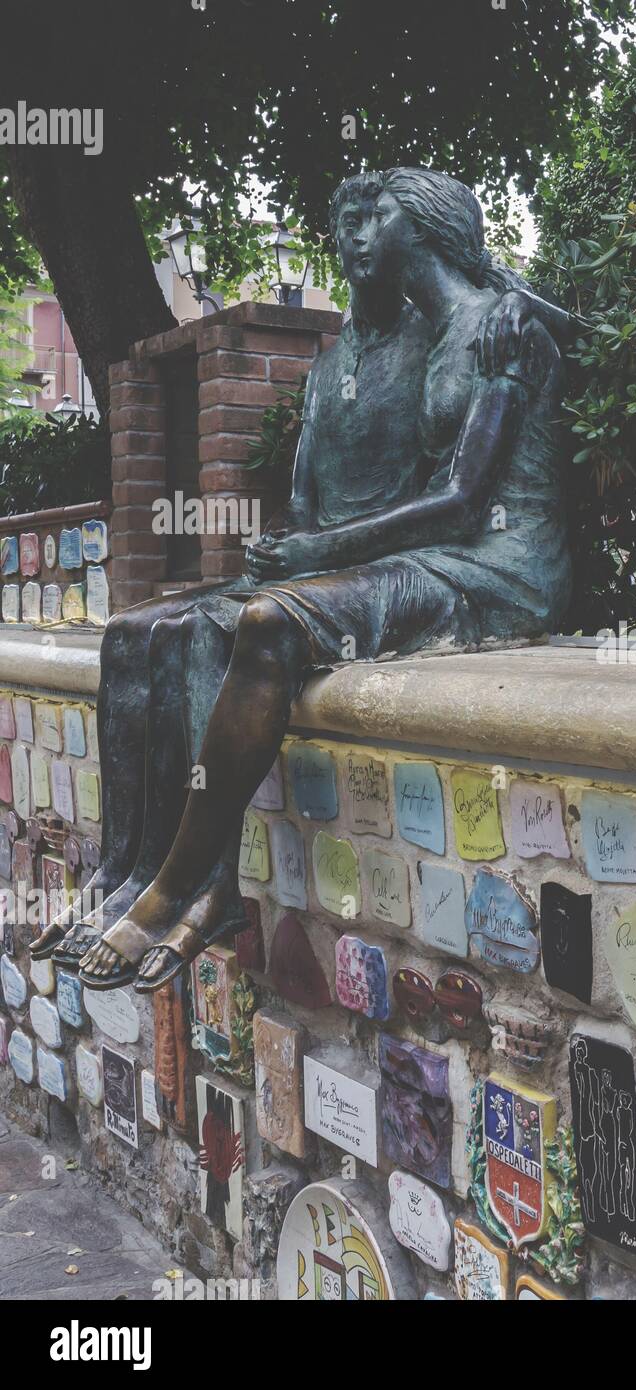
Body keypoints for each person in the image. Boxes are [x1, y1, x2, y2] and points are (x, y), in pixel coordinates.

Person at [30, 168, 572, 993]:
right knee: (140, 630)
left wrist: (316, 559)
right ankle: (131, 872)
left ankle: (189, 885)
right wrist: (304, 545)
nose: (353, 236)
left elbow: (462, 502)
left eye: (373, 216)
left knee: (267, 624)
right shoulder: (440, 330)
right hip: (440, 556)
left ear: (422, 223)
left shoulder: (500, 328)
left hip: (499, 573)